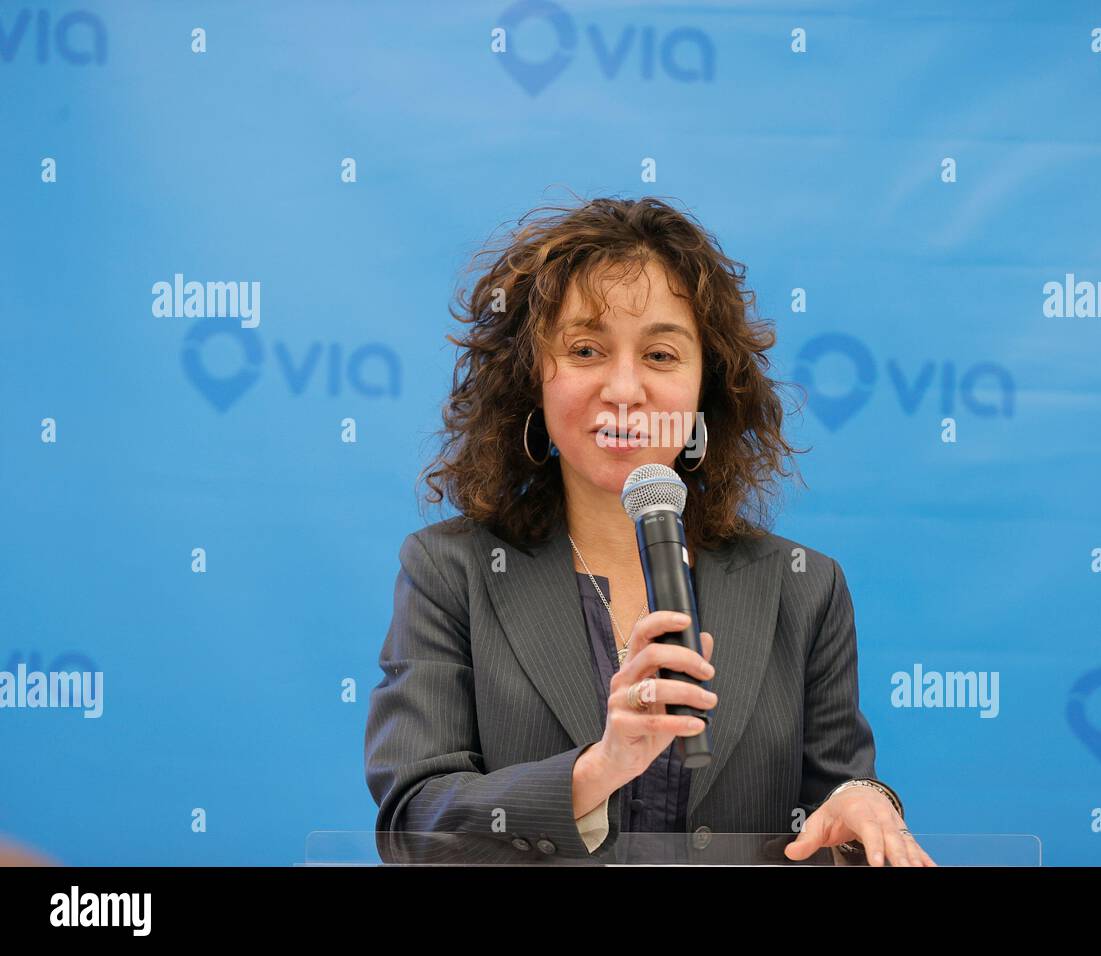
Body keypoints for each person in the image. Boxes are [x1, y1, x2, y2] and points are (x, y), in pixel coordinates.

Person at [364, 194, 935, 866]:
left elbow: (835, 799)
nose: (625, 388)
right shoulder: (450, 570)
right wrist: (599, 768)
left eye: (661, 354)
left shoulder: (802, 589)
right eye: (585, 349)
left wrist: (864, 801)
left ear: (706, 387)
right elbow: (415, 823)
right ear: (531, 381)